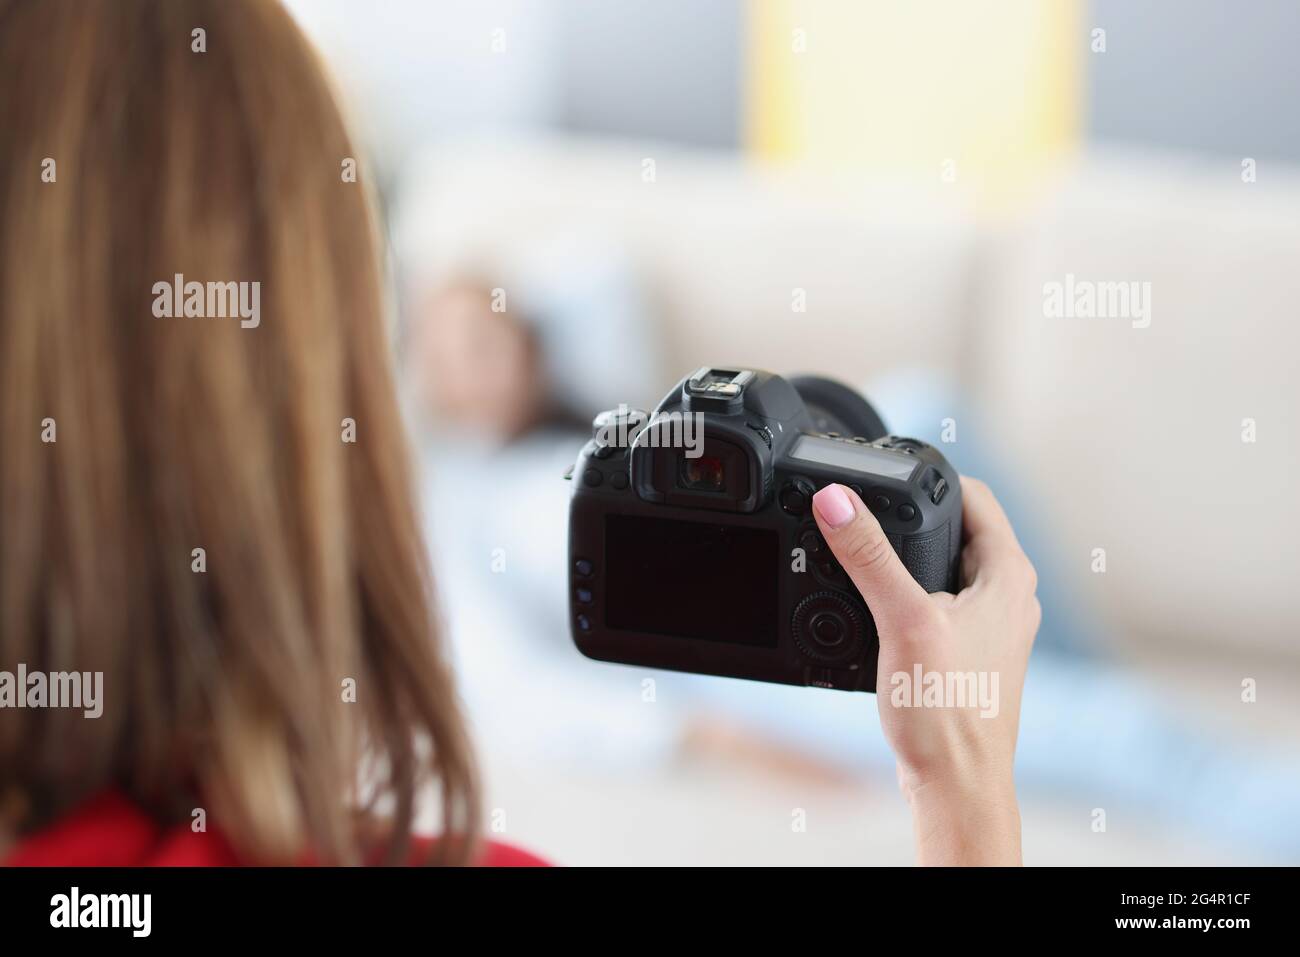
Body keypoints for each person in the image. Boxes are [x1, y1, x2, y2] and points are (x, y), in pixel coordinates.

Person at [0, 0, 1038, 867]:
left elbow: (594, 290)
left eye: (486, 341)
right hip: (728, 652)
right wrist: (965, 796)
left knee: (928, 404)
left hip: (828, 567)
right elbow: (506, 671)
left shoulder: (606, 417)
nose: (464, 365)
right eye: (426, 346)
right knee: (1083, 722)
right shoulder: (458, 496)